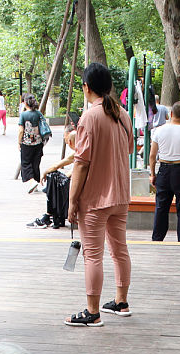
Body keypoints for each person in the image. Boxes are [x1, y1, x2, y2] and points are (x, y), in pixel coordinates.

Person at [65, 63, 135, 327]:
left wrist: (72, 202)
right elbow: (128, 149)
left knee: (93, 255)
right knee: (120, 250)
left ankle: (92, 312)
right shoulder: (122, 114)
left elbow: (81, 163)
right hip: (120, 196)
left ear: (86, 87)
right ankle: (121, 301)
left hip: (95, 198)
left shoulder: (89, 118)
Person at [148, 101, 180, 242]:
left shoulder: (159, 130)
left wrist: (152, 174)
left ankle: (157, 238)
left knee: (161, 207)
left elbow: (152, 156)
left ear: (171, 114)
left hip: (164, 169)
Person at [27, 113, 78, 229]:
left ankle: (49, 215)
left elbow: (60, 166)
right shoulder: (80, 150)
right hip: (76, 183)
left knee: (54, 178)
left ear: (70, 141)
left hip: (78, 186)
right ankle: (51, 215)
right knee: (54, 179)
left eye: (66, 139)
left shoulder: (78, 152)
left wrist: (45, 172)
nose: (66, 142)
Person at [18, 94, 48, 192]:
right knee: (36, 163)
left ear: (25, 103)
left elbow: (21, 130)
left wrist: (19, 142)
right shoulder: (38, 113)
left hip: (27, 143)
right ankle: (35, 182)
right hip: (39, 142)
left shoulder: (23, 115)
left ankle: (31, 181)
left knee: (26, 163)